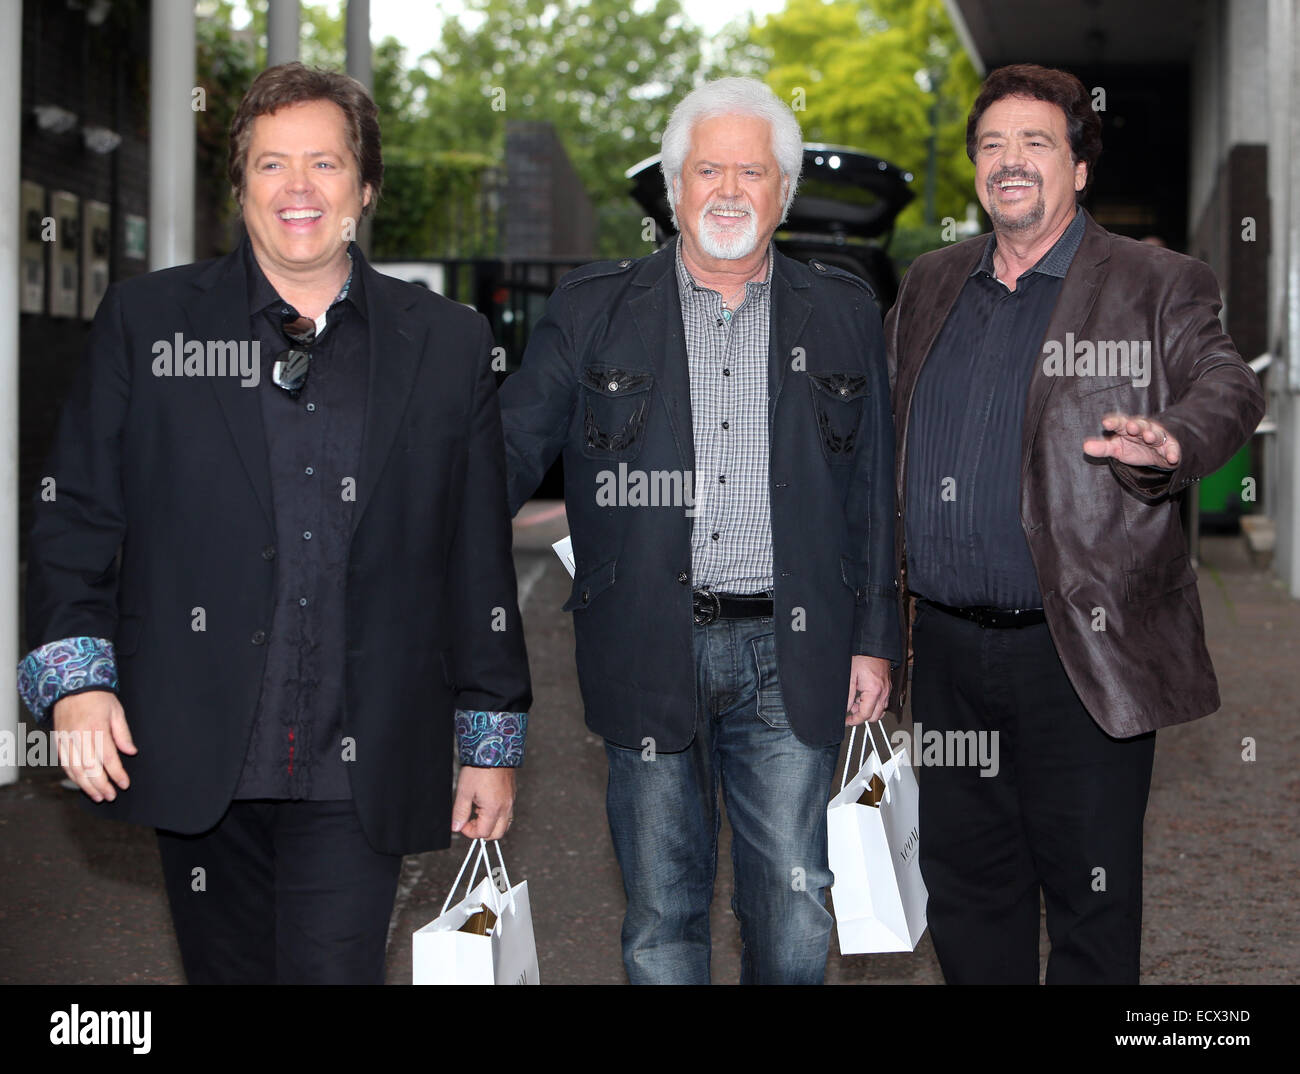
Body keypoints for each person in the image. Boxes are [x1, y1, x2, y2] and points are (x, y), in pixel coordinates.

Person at [18, 62, 531, 985]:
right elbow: (79, 513)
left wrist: (489, 739)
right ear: (241, 188)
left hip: (363, 752)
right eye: (270, 165)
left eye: (325, 164)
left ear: (364, 188)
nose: (299, 188)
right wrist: (76, 681)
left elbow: (476, 556)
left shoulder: (446, 342)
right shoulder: (148, 320)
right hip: (197, 740)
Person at [498, 77, 900, 984]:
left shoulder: (841, 312)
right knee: (660, 918)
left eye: (750, 172)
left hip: (790, 651)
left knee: (795, 916)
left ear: (782, 193)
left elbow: (872, 490)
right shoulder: (594, 308)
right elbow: (504, 452)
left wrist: (875, 640)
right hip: (645, 643)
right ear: (676, 188)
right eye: (706, 169)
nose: (727, 189)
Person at [885, 63, 1265, 984]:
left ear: (1080, 167)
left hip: (1082, 650)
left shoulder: (1154, 281)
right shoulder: (931, 283)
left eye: (1036, 144)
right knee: (968, 893)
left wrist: (1172, 439)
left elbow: (1230, 384)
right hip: (941, 652)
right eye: (991, 145)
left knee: (1091, 904)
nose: (1009, 162)